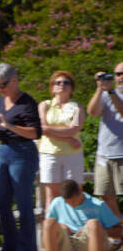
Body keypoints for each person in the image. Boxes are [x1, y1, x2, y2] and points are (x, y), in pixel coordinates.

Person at [0, 63, 42, 251]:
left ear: (14, 80)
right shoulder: (1, 102)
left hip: (23, 152)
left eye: (3, 85)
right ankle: (9, 246)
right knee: (0, 201)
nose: (0, 90)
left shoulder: (27, 102)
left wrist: (9, 125)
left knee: (23, 201)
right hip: (5, 151)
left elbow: (35, 133)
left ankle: (25, 248)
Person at [43, 179, 120, 251]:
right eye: (68, 203)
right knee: (48, 223)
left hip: (87, 250)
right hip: (66, 249)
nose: (72, 205)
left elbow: (118, 231)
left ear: (81, 192)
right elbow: (50, 228)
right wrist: (61, 227)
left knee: (93, 223)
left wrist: (94, 229)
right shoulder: (57, 202)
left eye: (75, 202)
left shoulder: (97, 205)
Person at [37, 71, 84, 216]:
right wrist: (68, 138)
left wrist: (67, 134)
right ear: (52, 87)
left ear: (72, 88)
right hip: (49, 153)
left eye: (66, 83)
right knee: (52, 195)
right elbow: (42, 128)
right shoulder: (45, 105)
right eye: (58, 82)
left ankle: (74, 230)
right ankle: (52, 231)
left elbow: (74, 129)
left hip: (72, 154)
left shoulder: (78, 107)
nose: (62, 85)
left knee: (74, 193)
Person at [86, 62, 123, 219]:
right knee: (105, 197)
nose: (120, 77)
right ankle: (119, 232)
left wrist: (112, 92)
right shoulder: (105, 94)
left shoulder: (112, 94)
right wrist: (99, 88)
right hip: (105, 155)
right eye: (117, 74)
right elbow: (92, 112)